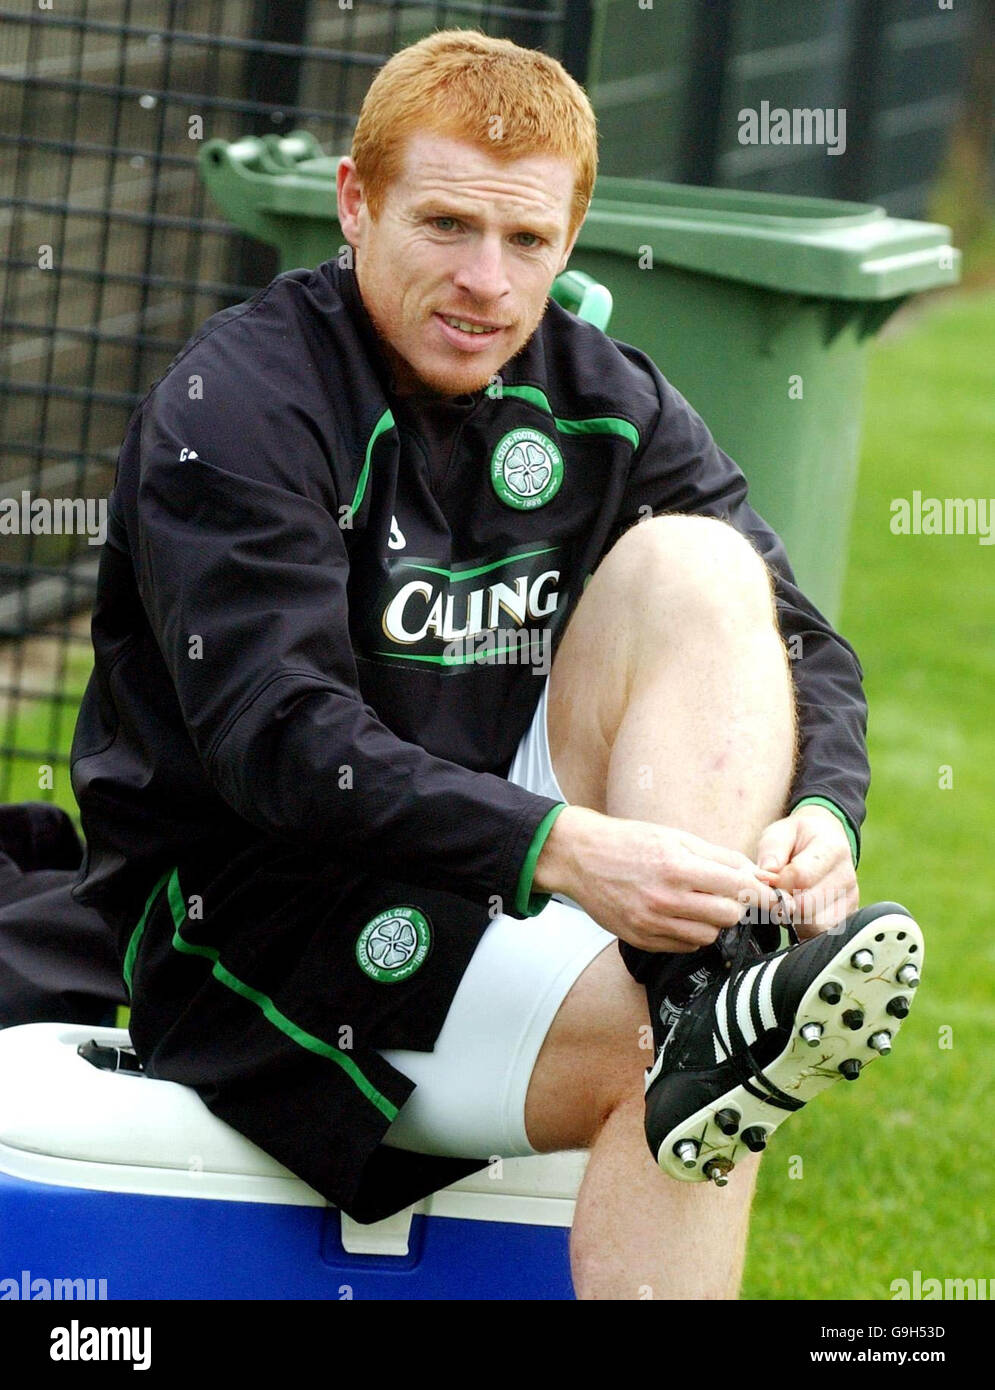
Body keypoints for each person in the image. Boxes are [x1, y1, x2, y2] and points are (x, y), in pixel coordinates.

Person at [67, 29, 923, 1299]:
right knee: (684, 1057)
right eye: (446, 224)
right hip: (263, 917)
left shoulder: (600, 392)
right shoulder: (239, 404)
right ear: (355, 203)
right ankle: (704, 1003)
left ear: (569, 238)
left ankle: (709, 970)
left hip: (507, 842)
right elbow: (281, 738)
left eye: (526, 242)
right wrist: (566, 849)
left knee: (696, 567)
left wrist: (819, 808)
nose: (485, 281)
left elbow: (798, 637)